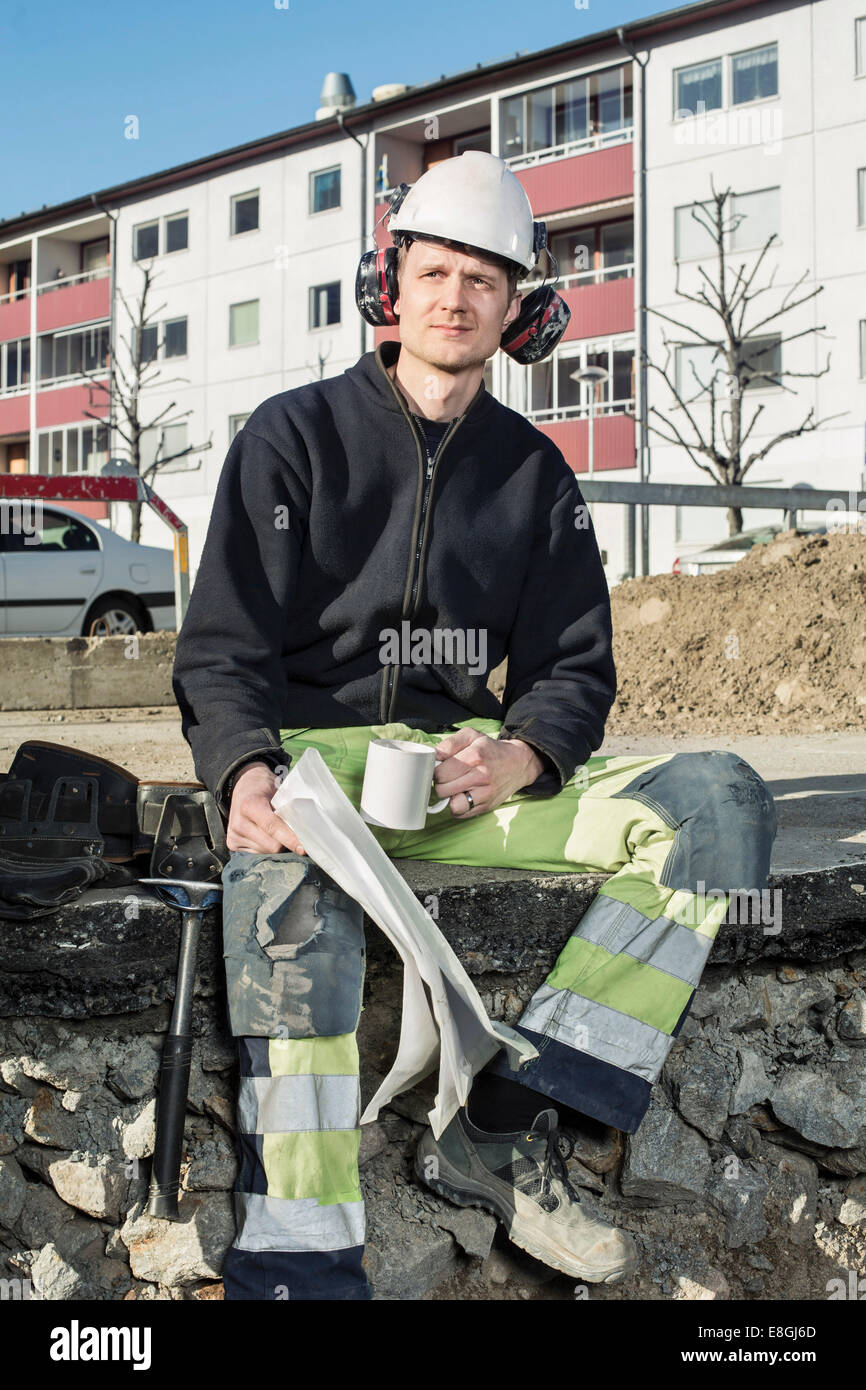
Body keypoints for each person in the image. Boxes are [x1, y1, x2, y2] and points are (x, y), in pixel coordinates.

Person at [172, 151, 777, 1301]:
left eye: (482, 282)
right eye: (432, 271)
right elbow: (223, 648)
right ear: (387, 284)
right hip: (311, 786)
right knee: (294, 921)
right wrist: (242, 770)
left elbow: (571, 669)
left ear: (519, 311)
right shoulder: (288, 439)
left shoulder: (535, 478)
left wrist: (522, 752)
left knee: (714, 804)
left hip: (455, 791)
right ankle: (301, 1262)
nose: (453, 298)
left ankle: (501, 1120)